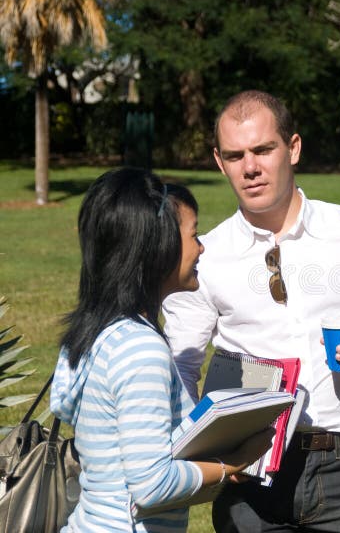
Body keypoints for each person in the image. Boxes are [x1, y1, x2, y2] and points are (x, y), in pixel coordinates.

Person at [162, 90, 340, 532]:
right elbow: (181, 367)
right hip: (246, 471)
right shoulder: (206, 253)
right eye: (235, 155)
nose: (250, 167)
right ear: (219, 161)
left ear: (294, 148)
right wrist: (201, 452)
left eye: (263, 149)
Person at [50, 168, 272, 532]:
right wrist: (234, 463)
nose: (202, 248)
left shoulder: (100, 333)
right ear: (157, 246)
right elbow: (152, 485)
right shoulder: (141, 350)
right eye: (194, 235)